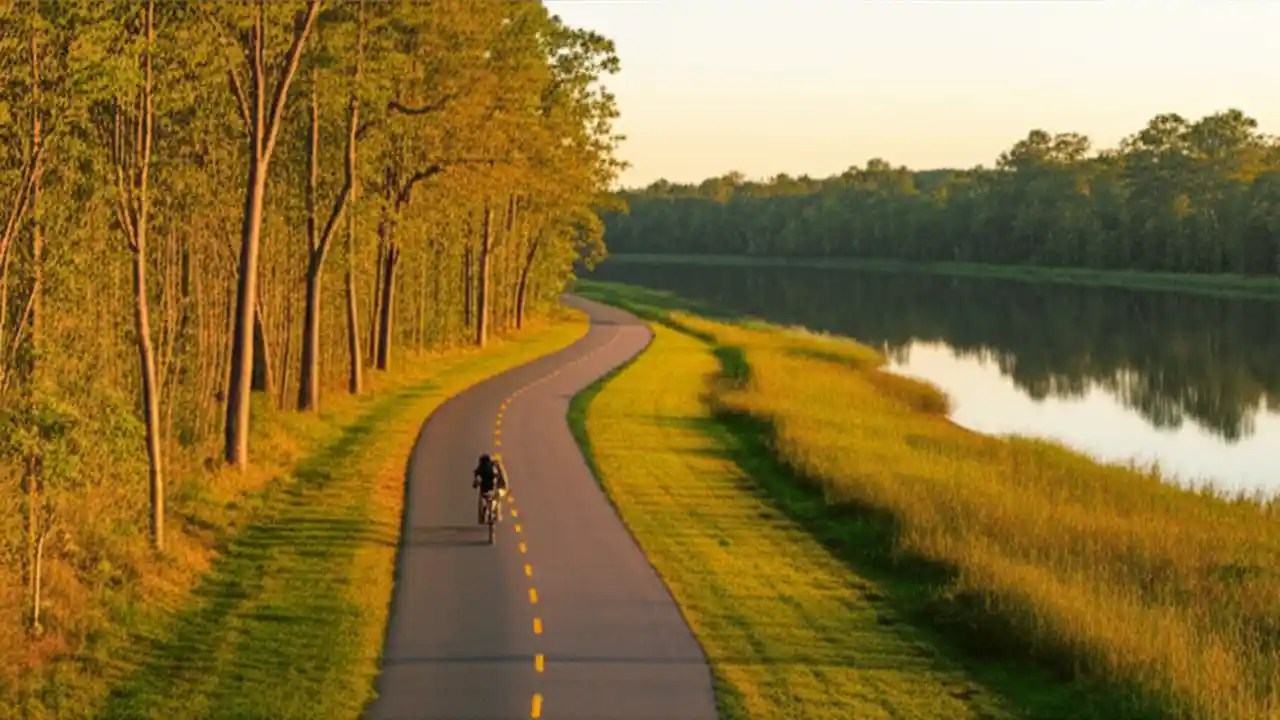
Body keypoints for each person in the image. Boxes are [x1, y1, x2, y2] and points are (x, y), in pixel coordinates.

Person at [472, 453, 508, 524]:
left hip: (486, 492)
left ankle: (487, 515)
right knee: (497, 499)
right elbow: (503, 480)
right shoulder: (495, 467)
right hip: (493, 491)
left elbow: (476, 483)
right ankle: (496, 514)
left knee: (486, 503)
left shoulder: (480, 469)